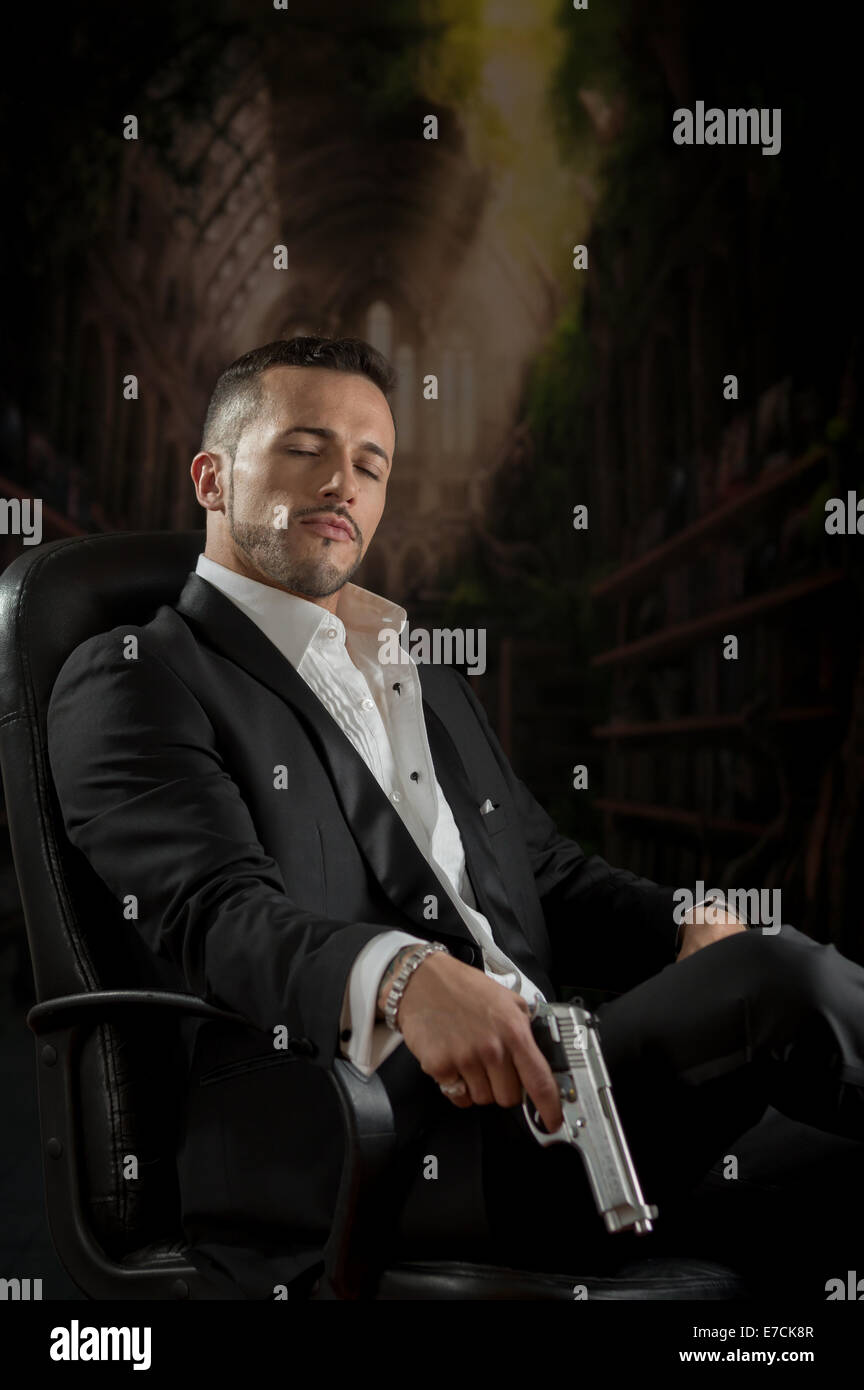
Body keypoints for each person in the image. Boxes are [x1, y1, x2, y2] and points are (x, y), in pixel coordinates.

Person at [47, 336, 864, 1300]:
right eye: (305, 448)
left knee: (827, 1178)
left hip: (565, 1082)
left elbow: (546, 871)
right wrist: (401, 978)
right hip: (373, 1140)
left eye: (369, 463)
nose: (342, 484)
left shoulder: (418, 666)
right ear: (211, 477)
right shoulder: (138, 674)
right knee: (775, 979)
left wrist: (678, 924)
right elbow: (215, 915)